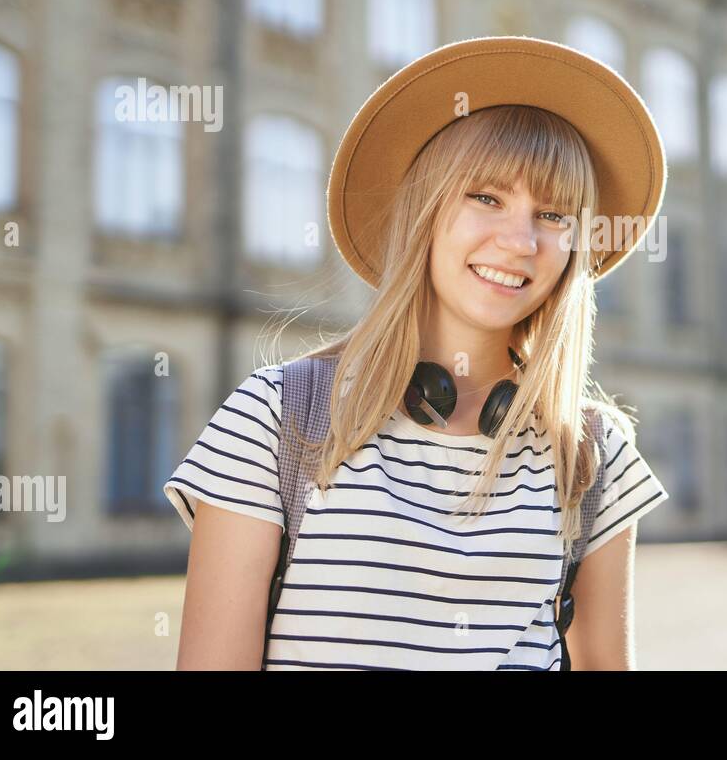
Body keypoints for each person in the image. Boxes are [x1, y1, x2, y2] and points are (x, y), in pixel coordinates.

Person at [163, 36, 670, 670]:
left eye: (553, 214)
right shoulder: (274, 421)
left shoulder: (592, 457)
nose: (519, 241)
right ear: (424, 211)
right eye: (485, 197)